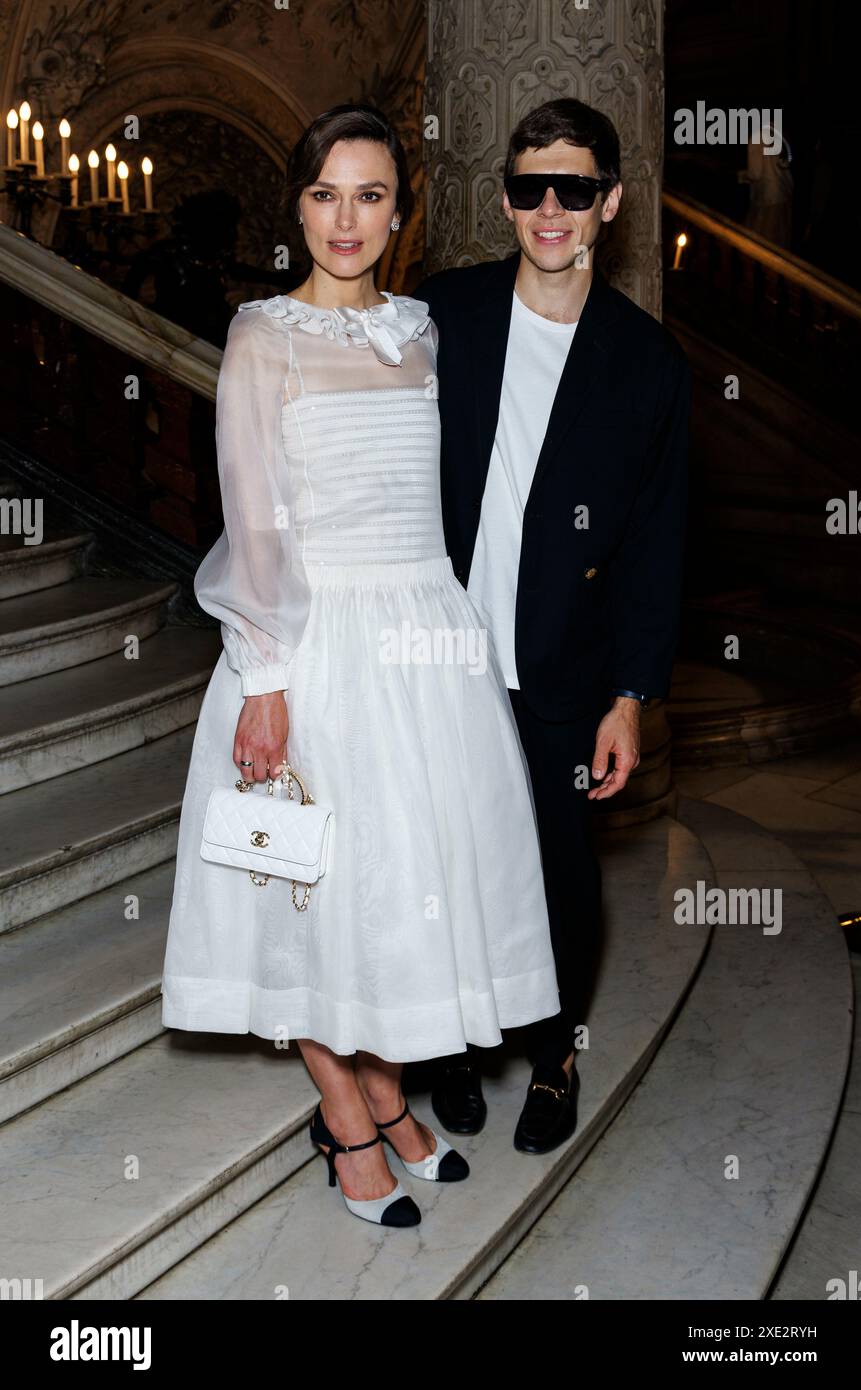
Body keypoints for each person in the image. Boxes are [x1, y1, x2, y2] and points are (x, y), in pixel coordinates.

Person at [160, 104, 561, 1229]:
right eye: (327, 194)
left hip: (427, 640)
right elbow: (255, 518)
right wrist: (268, 674)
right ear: (297, 206)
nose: (348, 220)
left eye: (372, 195)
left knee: (396, 896)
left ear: (402, 209)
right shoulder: (262, 335)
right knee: (311, 898)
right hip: (314, 642)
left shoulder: (423, 332)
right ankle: (347, 1115)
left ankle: (386, 1094)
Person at [412, 97, 691, 1155]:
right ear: (508, 199)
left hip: (559, 666)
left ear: (609, 203)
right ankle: (444, 1048)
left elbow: (656, 545)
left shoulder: (647, 366)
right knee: (442, 860)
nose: (550, 209)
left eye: (574, 188)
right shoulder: (445, 314)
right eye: (530, 187)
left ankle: (555, 1054)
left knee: (555, 867)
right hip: (433, 651)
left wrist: (631, 697)